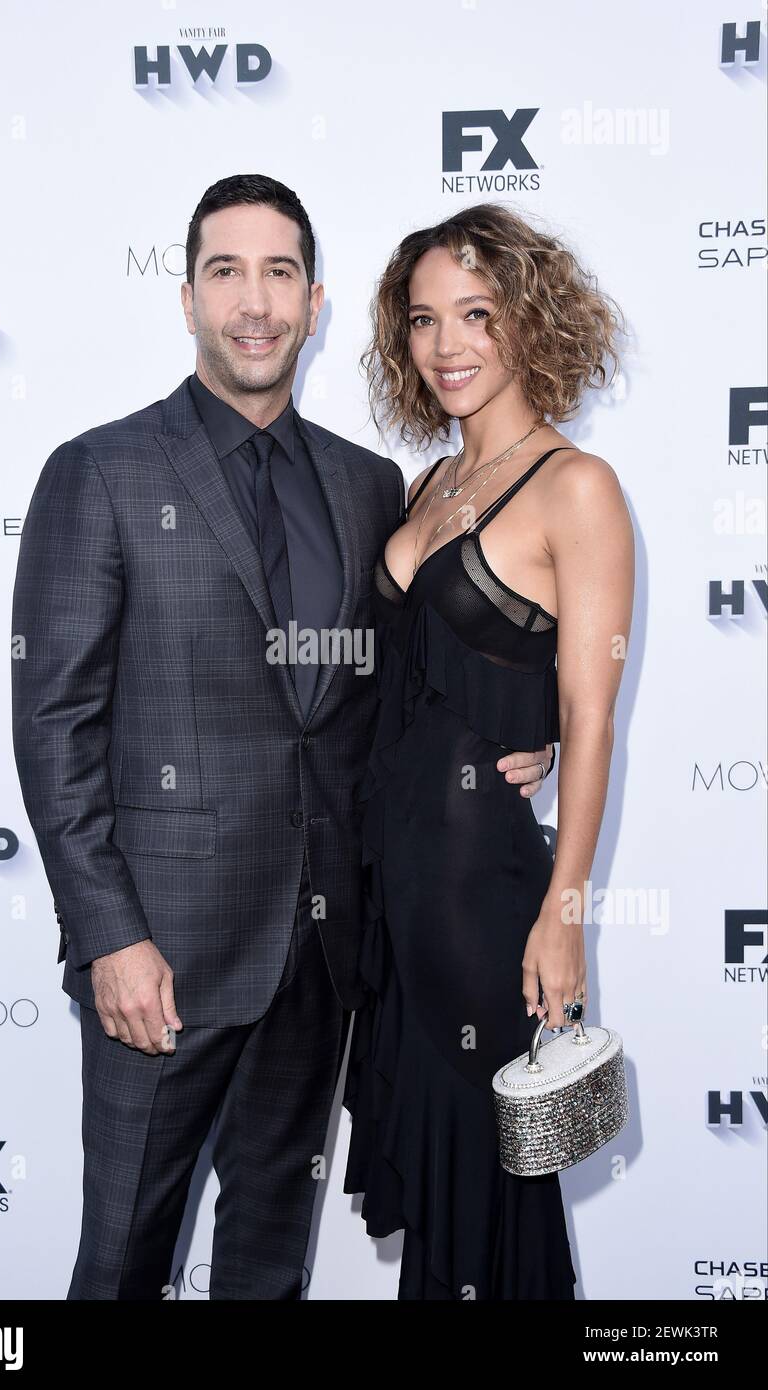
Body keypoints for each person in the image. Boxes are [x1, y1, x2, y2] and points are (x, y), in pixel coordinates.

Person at [10, 175, 554, 1301]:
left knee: (267, 1263)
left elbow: (408, 676)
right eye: (224, 272)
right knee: (121, 1259)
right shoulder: (100, 472)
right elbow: (53, 723)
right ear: (187, 298)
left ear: (313, 304)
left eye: (276, 275)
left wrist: (526, 724)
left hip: (321, 956)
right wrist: (109, 936)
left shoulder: (368, 490)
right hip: (159, 962)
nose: (252, 303)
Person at [343, 202, 634, 1300]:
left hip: (483, 897)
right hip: (396, 886)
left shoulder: (576, 487)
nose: (447, 344)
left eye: (474, 312)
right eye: (423, 320)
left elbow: (593, 712)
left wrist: (564, 916)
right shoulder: (424, 486)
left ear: (527, 318)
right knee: (441, 1180)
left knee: (490, 1176)